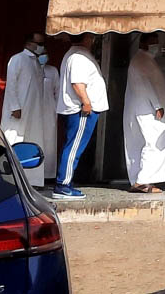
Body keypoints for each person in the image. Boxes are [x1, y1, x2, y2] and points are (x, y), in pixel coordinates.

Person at [54, 33, 109, 201]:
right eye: (91, 37)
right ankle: (62, 185)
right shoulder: (78, 57)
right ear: (86, 39)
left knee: (73, 147)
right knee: (73, 148)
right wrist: (86, 103)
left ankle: (65, 183)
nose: (93, 40)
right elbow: (77, 83)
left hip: (80, 109)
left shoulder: (76, 55)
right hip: (81, 110)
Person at [124, 33, 165, 193]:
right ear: (144, 43)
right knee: (152, 143)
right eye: (153, 42)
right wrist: (157, 105)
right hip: (146, 109)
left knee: (143, 143)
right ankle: (143, 181)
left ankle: (141, 180)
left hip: (145, 108)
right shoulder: (141, 61)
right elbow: (144, 86)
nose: (157, 46)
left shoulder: (144, 60)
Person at [1, 32, 48, 186]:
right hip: (19, 110)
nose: (41, 47)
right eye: (38, 43)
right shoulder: (17, 59)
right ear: (29, 43)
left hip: (34, 110)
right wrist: (15, 106)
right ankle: (8, 178)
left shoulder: (36, 62)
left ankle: (31, 180)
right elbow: (12, 84)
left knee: (32, 141)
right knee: (14, 139)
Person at [41, 53, 59, 179]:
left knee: (49, 141)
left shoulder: (52, 71)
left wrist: (56, 110)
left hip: (49, 110)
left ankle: (48, 174)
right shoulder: (29, 68)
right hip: (31, 109)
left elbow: (57, 91)